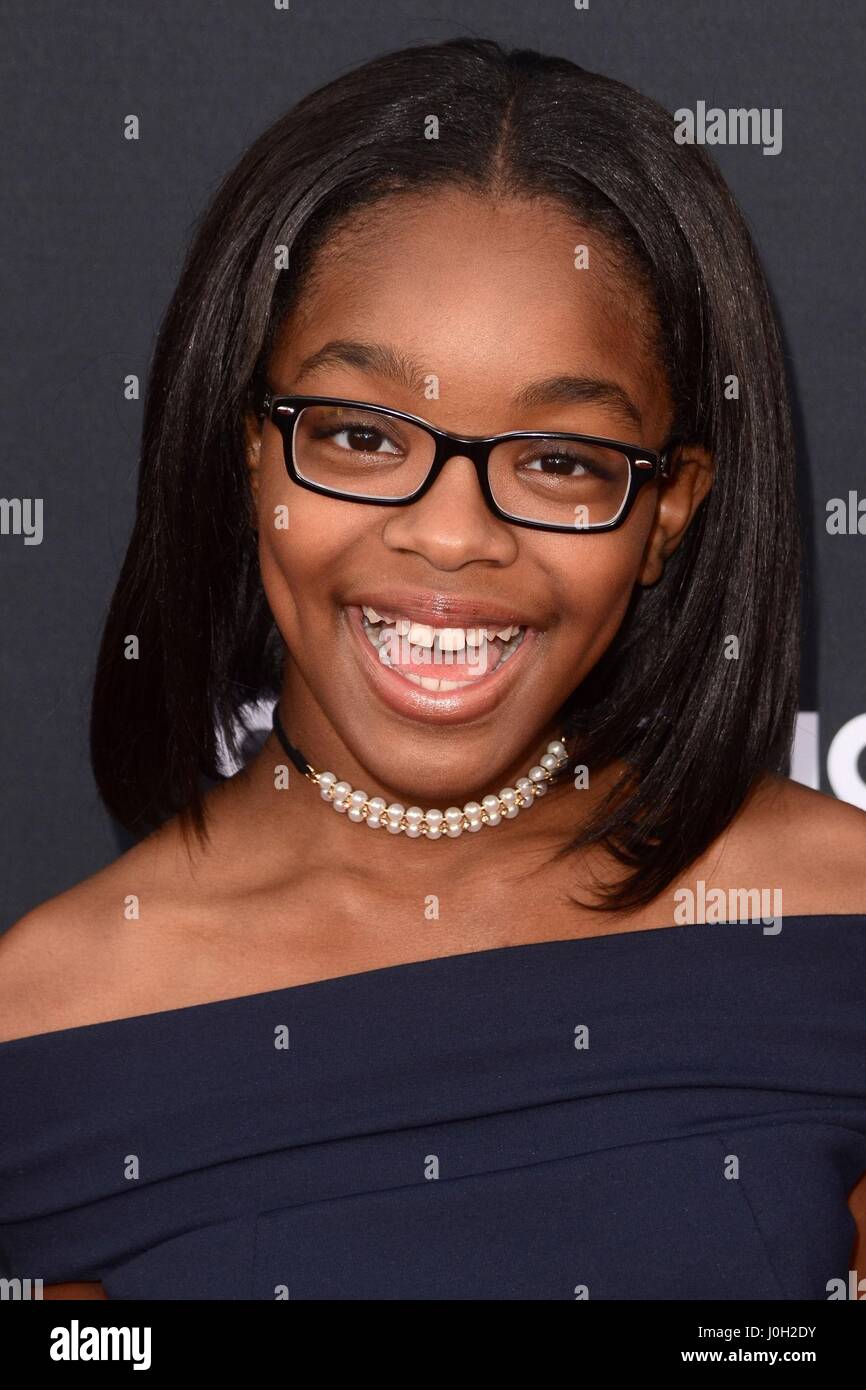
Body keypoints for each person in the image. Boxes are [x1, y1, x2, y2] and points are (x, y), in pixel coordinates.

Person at [1, 37, 864, 1301]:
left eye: (561, 458)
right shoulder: (51, 1025)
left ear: (668, 510)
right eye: (356, 434)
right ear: (247, 447)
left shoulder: (835, 921)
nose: (453, 533)